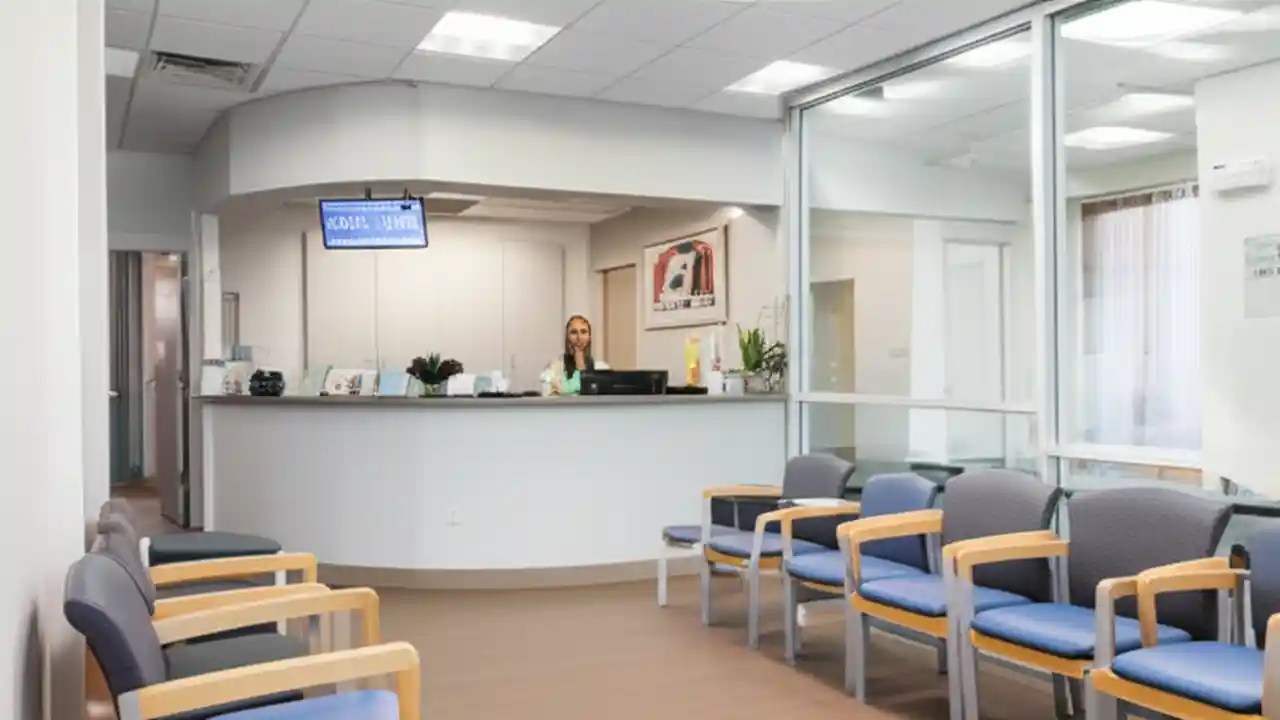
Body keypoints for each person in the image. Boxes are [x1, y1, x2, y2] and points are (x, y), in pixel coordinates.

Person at [542, 315, 609, 396]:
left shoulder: (602, 368)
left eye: (583, 332)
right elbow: (547, 400)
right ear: (567, 338)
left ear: (589, 337)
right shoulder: (552, 370)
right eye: (574, 332)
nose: (579, 338)